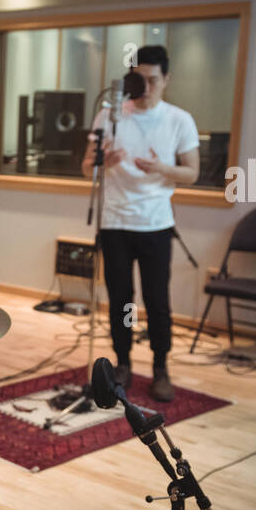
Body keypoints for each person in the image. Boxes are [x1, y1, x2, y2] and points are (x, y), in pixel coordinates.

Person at [83, 45, 199, 402]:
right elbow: (87, 168)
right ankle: (123, 362)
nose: (145, 88)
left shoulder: (179, 119)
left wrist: (162, 167)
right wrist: (103, 161)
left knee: (156, 299)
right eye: (139, 80)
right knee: (121, 298)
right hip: (115, 222)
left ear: (166, 79)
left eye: (153, 80)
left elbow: (192, 173)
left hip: (155, 224)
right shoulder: (109, 115)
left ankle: (161, 366)